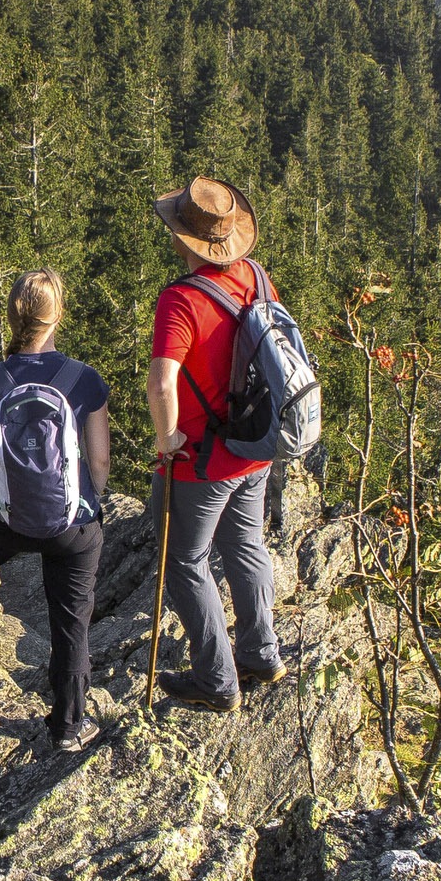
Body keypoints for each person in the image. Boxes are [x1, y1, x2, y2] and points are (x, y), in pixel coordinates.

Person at [0, 268, 111, 752]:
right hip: (71, 525)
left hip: (6, 519)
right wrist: (87, 505)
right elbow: (98, 461)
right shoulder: (83, 380)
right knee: (71, 615)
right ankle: (68, 725)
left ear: (13, 317)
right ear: (58, 315)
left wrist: (8, 498)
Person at [146, 176, 285, 712]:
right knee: (246, 545)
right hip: (254, 445)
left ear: (183, 237)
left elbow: (162, 383)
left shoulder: (180, 299)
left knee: (184, 562)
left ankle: (217, 681)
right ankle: (261, 654)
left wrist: (168, 439)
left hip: (202, 460)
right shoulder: (256, 275)